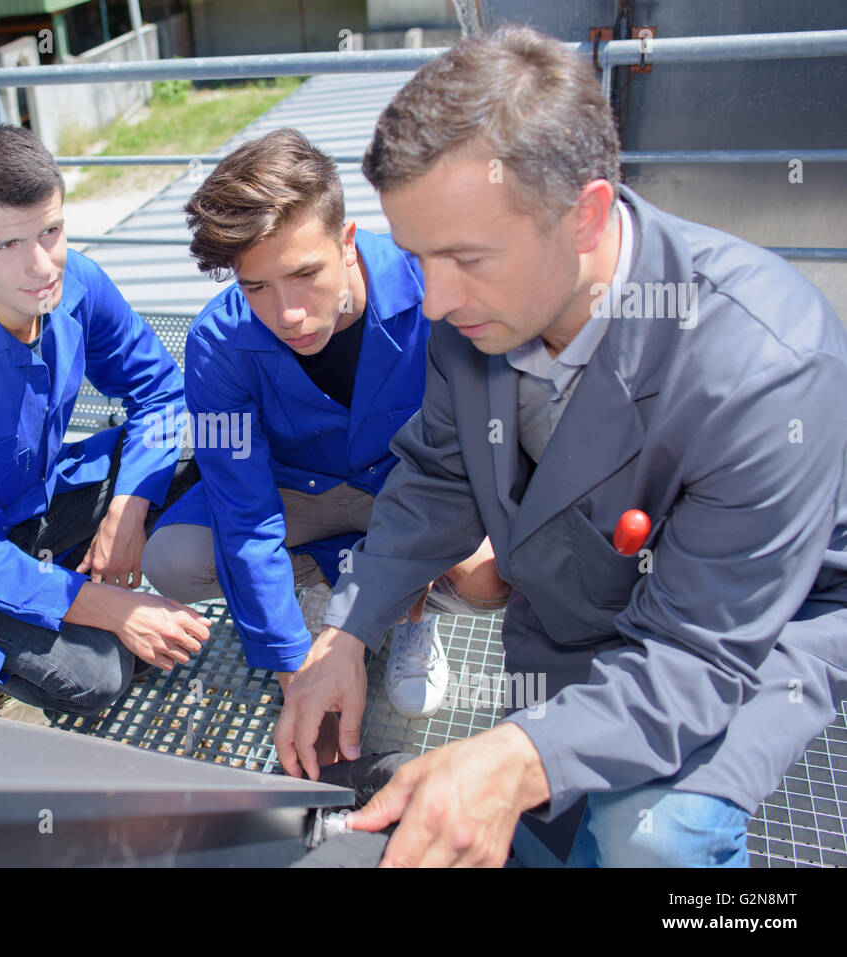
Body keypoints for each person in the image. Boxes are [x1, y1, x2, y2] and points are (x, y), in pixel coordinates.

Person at [276, 25, 847, 867]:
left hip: (747, 637)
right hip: (576, 606)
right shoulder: (479, 305)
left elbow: (695, 652)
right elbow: (439, 476)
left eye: (465, 256)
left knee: (648, 838)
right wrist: (349, 629)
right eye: (418, 259)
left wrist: (518, 755)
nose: (431, 302)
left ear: (584, 216)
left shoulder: (770, 368)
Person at [141, 128, 510, 728]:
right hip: (292, 493)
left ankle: (410, 612)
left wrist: (404, 555)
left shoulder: (436, 294)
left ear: (346, 241)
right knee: (174, 561)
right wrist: (296, 671)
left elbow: (472, 460)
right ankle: (331, 598)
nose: (286, 314)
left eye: (305, 273)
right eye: (255, 286)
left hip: (407, 494)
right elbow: (242, 508)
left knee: (492, 577)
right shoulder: (215, 342)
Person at [0, 124, 209, 717]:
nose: (42, 264)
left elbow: (159, 392)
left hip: (45, 497)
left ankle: (70, 579)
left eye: (51, 230)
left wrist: (128, 510)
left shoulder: (76, 281)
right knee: (96, 677)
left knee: (208, 450)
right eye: (8, 245)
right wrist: (111, 607)